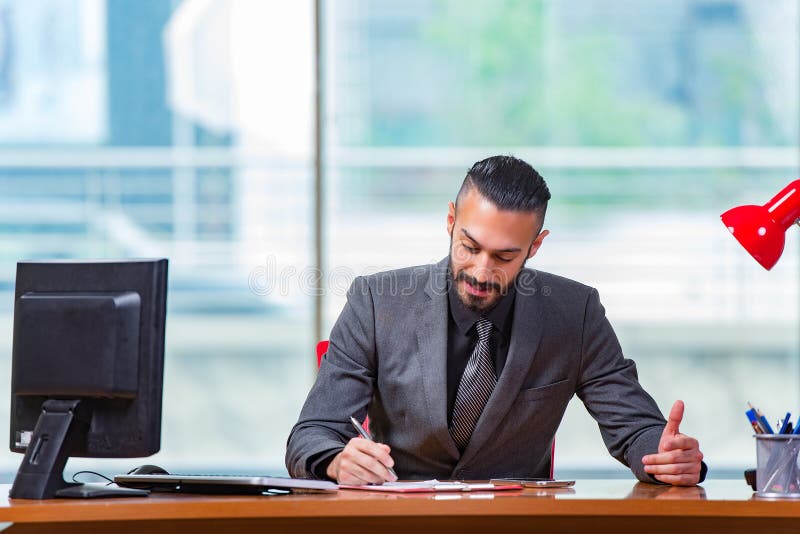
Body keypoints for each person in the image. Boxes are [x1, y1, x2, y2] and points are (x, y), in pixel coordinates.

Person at [286, 155, 705, 486]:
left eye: (504, 256)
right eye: (469, 246)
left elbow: (636, 430)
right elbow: (311, 435)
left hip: (516, 524)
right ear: (451, 221)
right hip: (401, 519)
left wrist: (667, 457)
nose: (482, 271)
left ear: (535, 246)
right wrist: (339, 461)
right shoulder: (376, 303)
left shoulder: (574, 313)